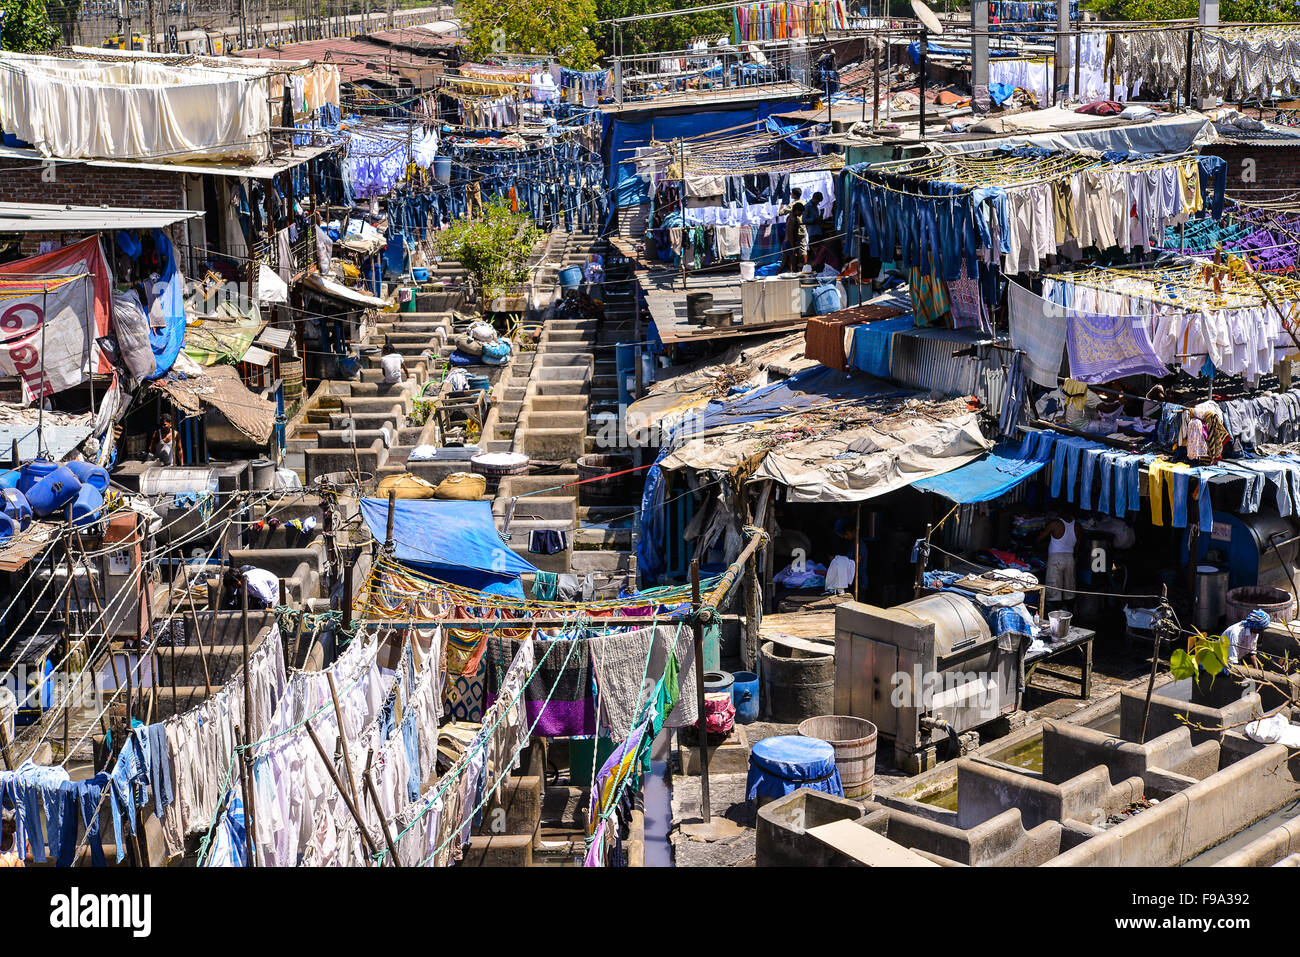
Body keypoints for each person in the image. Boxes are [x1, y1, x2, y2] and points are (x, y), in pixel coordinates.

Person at [1037, 504, 1079, 606]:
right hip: (1070, 558)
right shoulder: (1077, 526)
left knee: (1054, 590)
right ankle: (1069, 611)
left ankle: (1056, 612)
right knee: (1069, 590)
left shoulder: (1055, 524)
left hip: (1055, 558)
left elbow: (1039, 539)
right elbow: (1077, 547)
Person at [782, 201, 807, 273]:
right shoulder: (793, 220)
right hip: (789, 243)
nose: (801, 213)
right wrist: (793, 246)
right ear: (796, 210)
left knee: (785, 263)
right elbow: (790, 233)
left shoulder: (789, 217)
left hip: (786, 242)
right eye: (800, 212)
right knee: (790, 264)